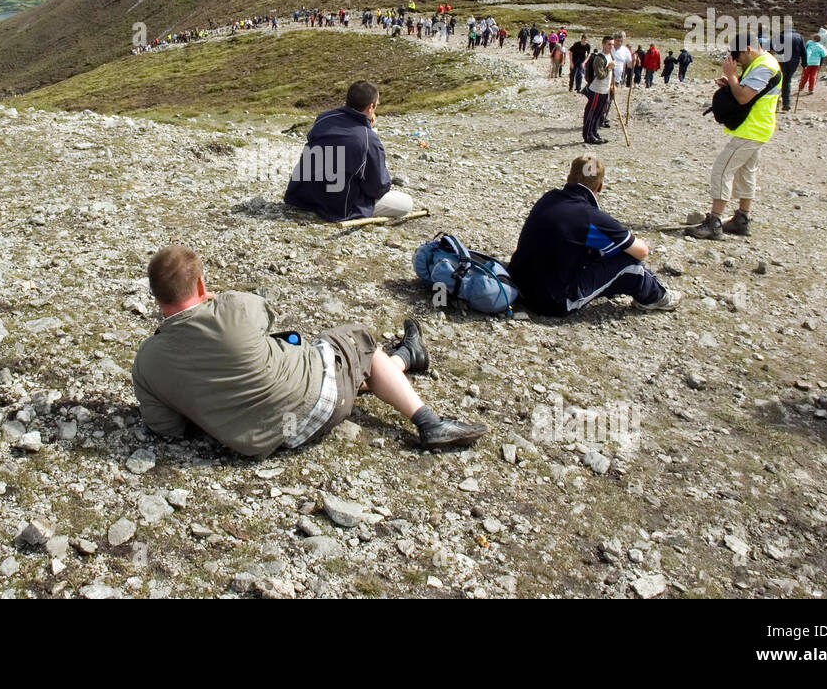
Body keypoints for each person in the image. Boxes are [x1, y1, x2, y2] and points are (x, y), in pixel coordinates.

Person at [131, 246, 487, 458]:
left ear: (156, 296)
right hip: (318, 398)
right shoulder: (234, 307)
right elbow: (267, 315)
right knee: (357, 339)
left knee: (346, 367)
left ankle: (408, 357)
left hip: (256, 440)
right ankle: (429, 422)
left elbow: (168, 428)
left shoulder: (147, 361)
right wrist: (216, 303)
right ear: (201, 283)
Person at [508, 155, 680, 316]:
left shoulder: (549, 198)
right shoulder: (590, 217)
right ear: (600, 187)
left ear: (568, 179)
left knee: (597, 249)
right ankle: (658, 297)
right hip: (553, 302)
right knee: (630, 264)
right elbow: (641, 252)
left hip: (517, 285)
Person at [688, 31, 781, 239]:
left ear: (747, 50)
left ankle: (714, 222)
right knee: (746, 171)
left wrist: (731, 76)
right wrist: (731, 82)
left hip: (752, 129)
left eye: (737, 57)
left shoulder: (763, 66)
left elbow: (743, 97)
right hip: (758, 128)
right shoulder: (766, 62)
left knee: (722, 170)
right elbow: (750, 91)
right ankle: (741, 219)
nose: (737, 62)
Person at [284, 80, 412, 221]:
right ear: (370, 107)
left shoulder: (323, 118)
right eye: (377, 105)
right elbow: (378, 188)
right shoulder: (368, 138)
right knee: (406, 203)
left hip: (300, 195)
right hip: (336, 206)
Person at [583, 36, 614, 145]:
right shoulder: (599, 58)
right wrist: (609, 68)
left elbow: (610, 74)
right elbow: (600, 75)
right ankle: (588, 135)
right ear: (603, 44)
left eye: (612, 44)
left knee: (598, 114)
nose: (611, 46)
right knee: (591, 113)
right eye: (609, 44)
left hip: (605, 90)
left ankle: (594, 133)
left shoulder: (610, 56)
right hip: (596, 90)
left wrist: (611, 85)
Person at [771, 27, 806, 112]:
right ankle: (786, 104)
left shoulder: (781, 36)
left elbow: (775, 48)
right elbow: (803, 51)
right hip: (794, 62)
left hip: (782, 61)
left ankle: (775, 104)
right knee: (787, 81)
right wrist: (804, 63)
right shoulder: (799, 37)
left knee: (778, 81)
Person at [798, 28, 827, 95]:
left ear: (813, 39)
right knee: (813, 76)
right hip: (816, 63)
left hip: (809, 63)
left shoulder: (810, 45)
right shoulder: (820, 47)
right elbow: (824, 54)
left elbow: (808, 53)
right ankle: (811, 89)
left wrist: (806, 61)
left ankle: (801, 87)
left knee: (805, 76)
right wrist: (819, 55)